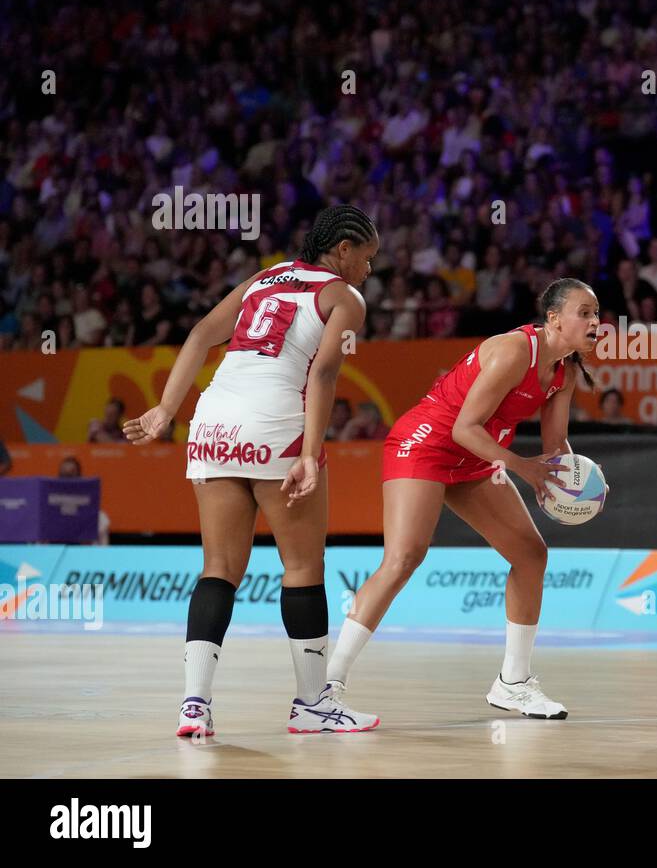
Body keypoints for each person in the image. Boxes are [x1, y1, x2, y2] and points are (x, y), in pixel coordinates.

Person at [125, 205, 380, 738]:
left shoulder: (262, 279)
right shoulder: (344, 297)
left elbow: (198, 334)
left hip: (212, 421)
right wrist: (310, 452)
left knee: (218, 568)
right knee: (303, 567)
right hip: (274, 421)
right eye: (368, 257)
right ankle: (312, 705)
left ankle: (194, 704)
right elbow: (326, 372)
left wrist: (165, 411)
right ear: (343, 251)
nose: (369, 271)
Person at [323, 278, 599, 720]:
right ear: (553, 318)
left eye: (597, 314)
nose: (595, 322)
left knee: (530, 555)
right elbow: (463, 428)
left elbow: (555, 446)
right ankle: (327, 685)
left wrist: (582, 484)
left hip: (476, 457)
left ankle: (514, 682)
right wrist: (520, 466)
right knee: (404, 557)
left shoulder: (565, 372)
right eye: (584, 313)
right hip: (428, 442)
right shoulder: (514, 351)